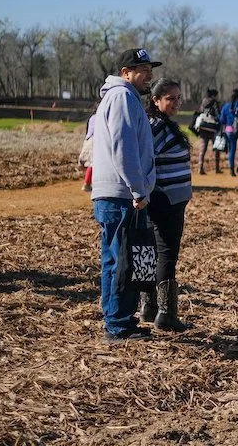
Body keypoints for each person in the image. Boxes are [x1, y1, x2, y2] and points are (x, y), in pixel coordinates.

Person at [91, 48, 161, 341]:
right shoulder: (122, 97)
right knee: (121, 261)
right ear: (125, 73)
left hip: (116, 193)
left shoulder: (121, 96)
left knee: (116, 259)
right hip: (121, 194)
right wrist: (138, 189)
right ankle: (118, 325)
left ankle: (117, 320)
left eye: (150, 70)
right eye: (143, 70)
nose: (149, 76)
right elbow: (124, 147)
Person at [138, 78, 193, 332]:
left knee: (149, 251)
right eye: (170, 98)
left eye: (178, 97)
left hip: (168, 198)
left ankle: (148, 308)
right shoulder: (156, 126)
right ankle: (166, 313)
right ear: (156, 100)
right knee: (165, 253)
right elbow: (144, 159)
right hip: (165, 199)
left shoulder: (161, 123)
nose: (176, 103)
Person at [195, 89, 222, 174]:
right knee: (217, 147)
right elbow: (218, 114)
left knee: (203, 149)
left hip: (203, 127)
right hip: (213, 128)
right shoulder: (215, 102)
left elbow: (199, 112)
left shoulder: (203, 102)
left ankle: (200, 168)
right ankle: (217, 168)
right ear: (213, 95)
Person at [78, 110, 97, 192]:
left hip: (88, 140)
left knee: (90, 163)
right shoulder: (100, 117)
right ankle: (87, 183)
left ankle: (88, 182)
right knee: (93, 163)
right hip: (94, 141)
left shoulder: (92, 117)